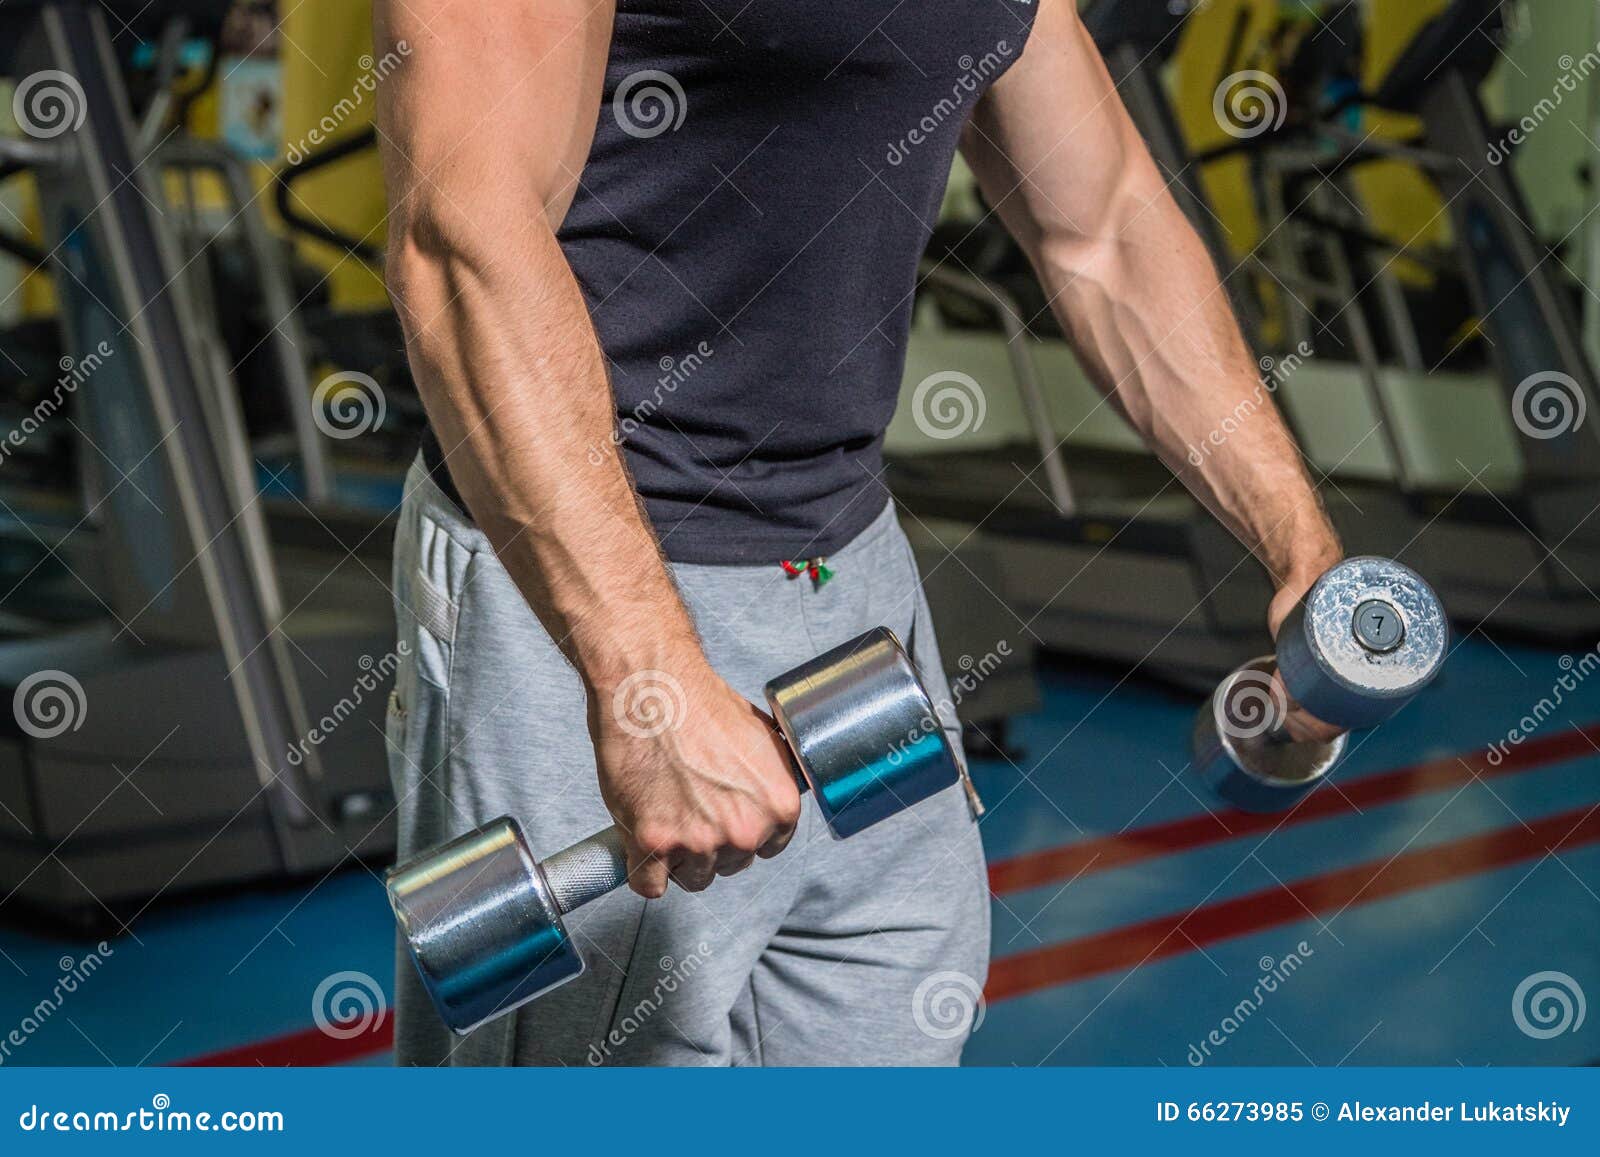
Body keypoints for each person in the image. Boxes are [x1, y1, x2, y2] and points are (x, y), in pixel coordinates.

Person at [372, 0, 1343, 1066]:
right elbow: (461, 236)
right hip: (585, 586)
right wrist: (644, 678)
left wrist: (1300, 548)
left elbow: (1101, 223)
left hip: (849, 581)